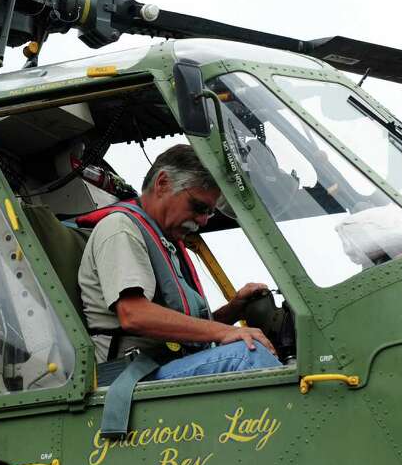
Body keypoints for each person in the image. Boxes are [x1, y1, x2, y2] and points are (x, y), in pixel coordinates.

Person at [77, 144, 280, 379]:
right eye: (199, 207)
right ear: (162, 184)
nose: (204, 220)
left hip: (164, 364)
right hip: (132, 375)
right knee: (247, 356)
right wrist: (222, 331)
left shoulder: (166, 243)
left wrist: (233, 310)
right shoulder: (121, 228)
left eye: (209, 212)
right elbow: (133, 314)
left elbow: (188, 330)